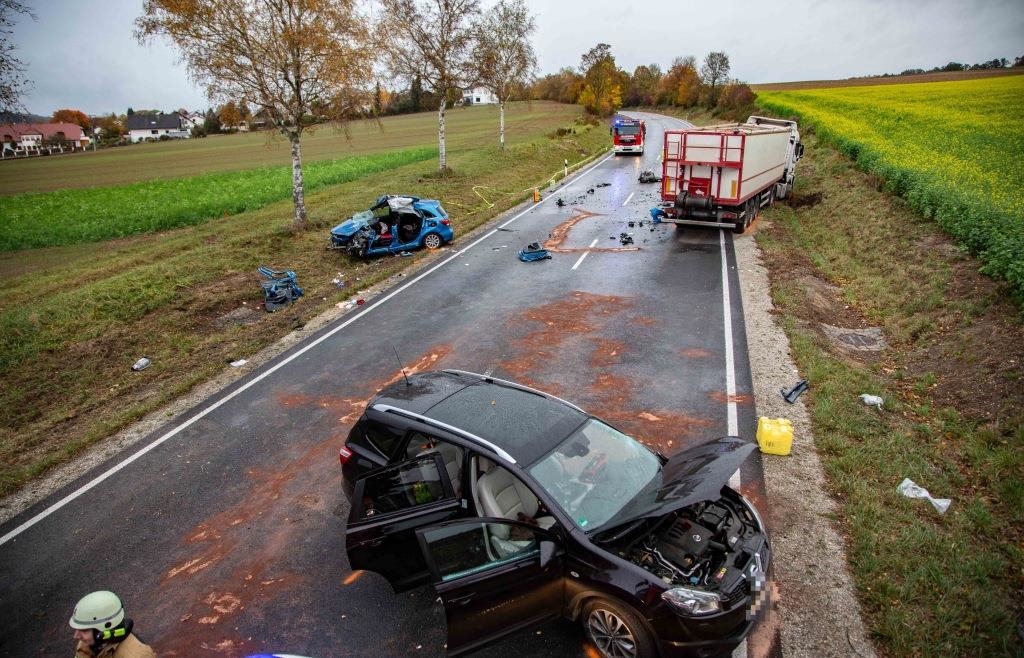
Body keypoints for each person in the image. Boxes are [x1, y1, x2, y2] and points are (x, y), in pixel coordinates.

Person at [70, 590, 156, 658]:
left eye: (84, 631)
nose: (76, 636)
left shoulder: (138, 655)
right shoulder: (89, 642)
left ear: (103, 631)